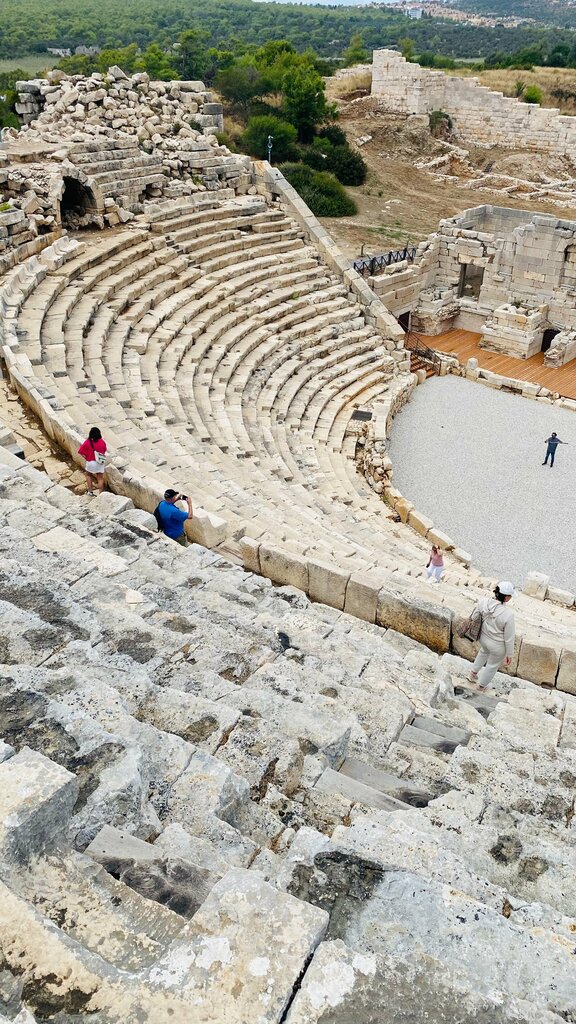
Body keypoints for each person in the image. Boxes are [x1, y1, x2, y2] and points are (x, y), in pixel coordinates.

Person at [469, 581, 515, 691]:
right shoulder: (508, 614)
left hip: (483, 638)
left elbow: (474, 616)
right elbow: (509, 637)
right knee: (492, 665)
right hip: (497, 646)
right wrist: (509, 654)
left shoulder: (484, 602)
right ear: (507, 597)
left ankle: (472, 674)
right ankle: (481, 686)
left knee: (483, 652)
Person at [78, 427, 107, 495]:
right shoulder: (102, 442)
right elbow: (104, 451)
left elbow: (80, 452)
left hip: (91, 462)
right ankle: (101, 493)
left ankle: (90, 491)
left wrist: (87, 457)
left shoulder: (88, 442)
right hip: (100, 462)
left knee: (88, 475)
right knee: (100, 478)